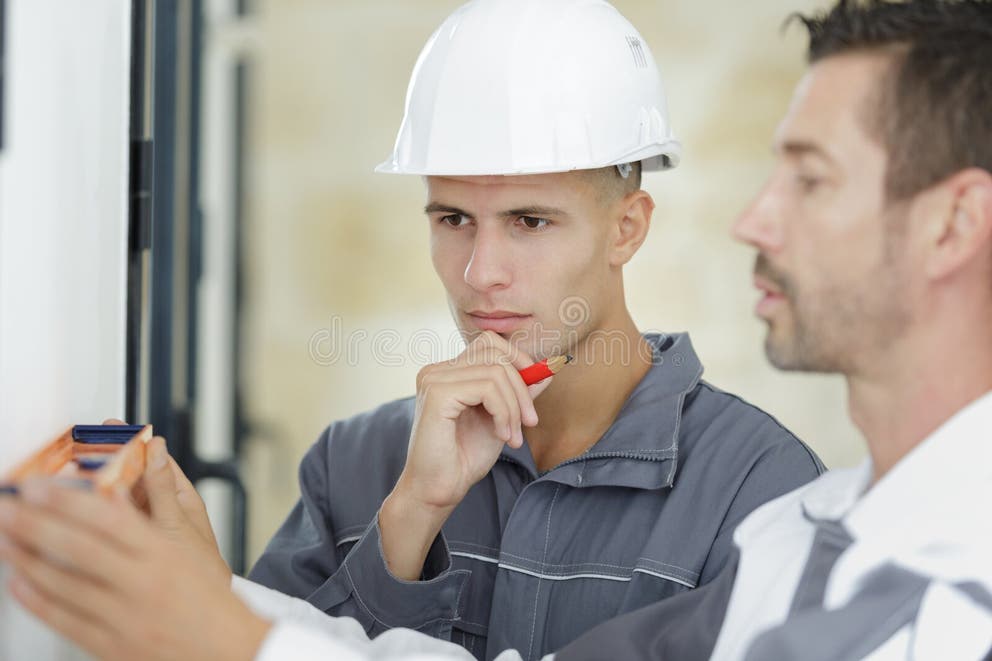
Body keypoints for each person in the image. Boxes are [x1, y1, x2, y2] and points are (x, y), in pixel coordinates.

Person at [16, 0, 990, 659]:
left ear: (626, 226)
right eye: (451, 220)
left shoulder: (761, 501)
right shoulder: (357, 467)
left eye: (529, 221)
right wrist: (397, 529)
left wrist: (230, 633)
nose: (480, 272)